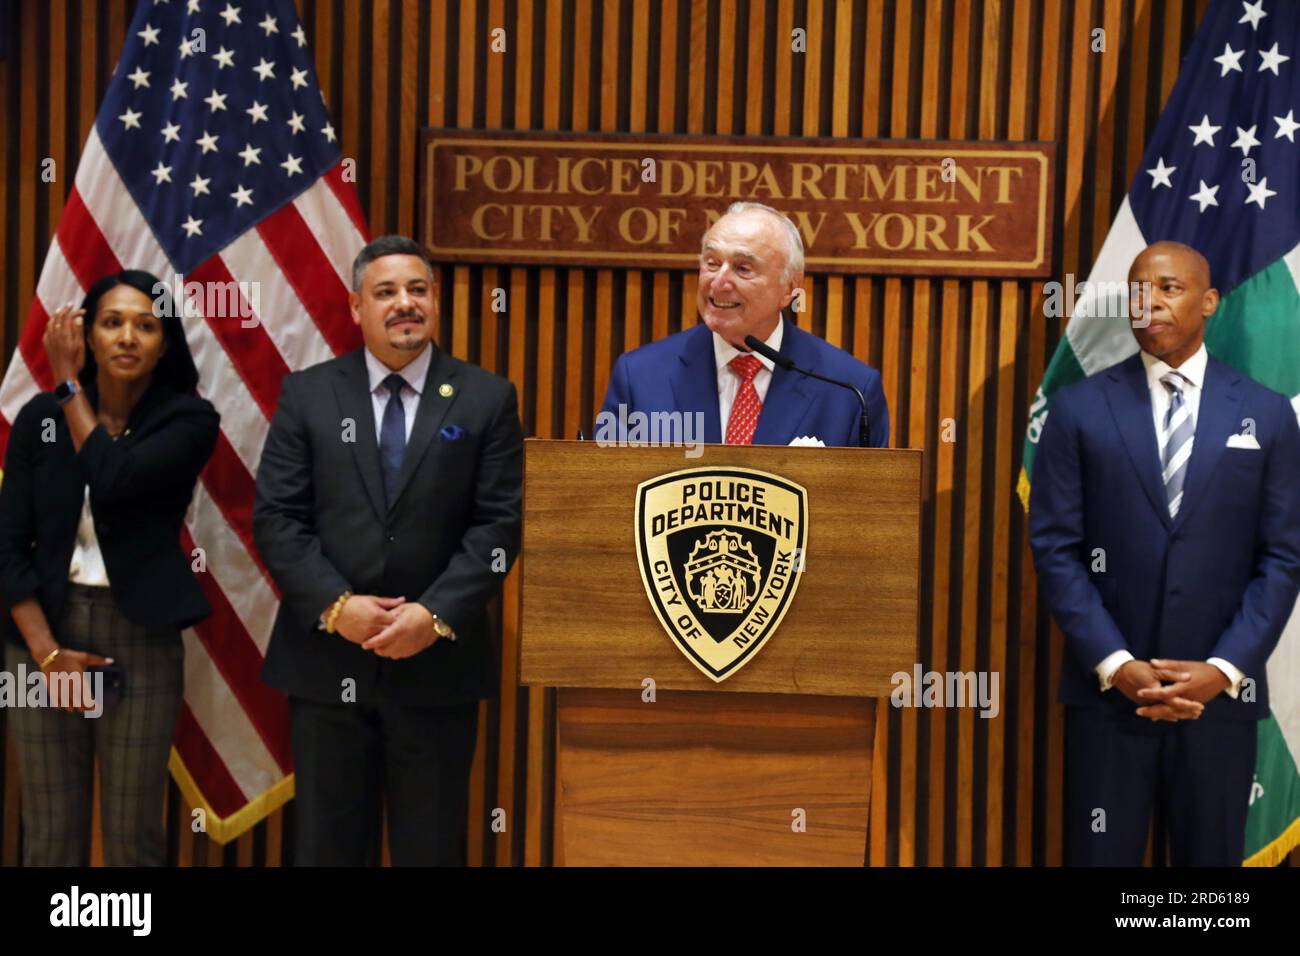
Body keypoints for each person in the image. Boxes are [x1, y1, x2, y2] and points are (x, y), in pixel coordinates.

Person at [254, 234, 523, 866]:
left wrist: (432, 617)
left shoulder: (486, 398)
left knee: (430, 849)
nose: (405, 303)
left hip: (437, 672)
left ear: (435, 301)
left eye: (418, 289)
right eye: (386, 292)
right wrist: (336, 605)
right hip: (327, 666)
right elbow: (277, 519)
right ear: (356, 307)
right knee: (326, 850)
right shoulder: (309, 395)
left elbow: (499, 526)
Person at [1029, 241, 1300, 866]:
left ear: (1209, 302)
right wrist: (1118, 663)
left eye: (1169, 289)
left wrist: (1223, 671)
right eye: (1137, 291)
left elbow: (1282, 558)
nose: (1148, 304)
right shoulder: (1078, 410)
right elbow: (1056, 550)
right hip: (1110, 699)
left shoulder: (1265, 413)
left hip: (1218, 702)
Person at [0, 270, 219, 866]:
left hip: (140, 633)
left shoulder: (189, 422)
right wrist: (47, 653)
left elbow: (115, 480)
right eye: (112, 322)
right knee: (48, 832)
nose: (127, 337)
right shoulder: (38, 421)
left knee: (132, 833)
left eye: (146, 326)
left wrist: (70, 386)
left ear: (165, 343)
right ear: (88, 335)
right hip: (38, 635)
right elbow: (7, 546)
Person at [599, 201, 889, 448]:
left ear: (789, 289)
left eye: (743, 268)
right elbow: (604, 498)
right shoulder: (639, 377)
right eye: (712, 263)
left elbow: (871, 510)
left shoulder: (850, 391)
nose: (719, 282)